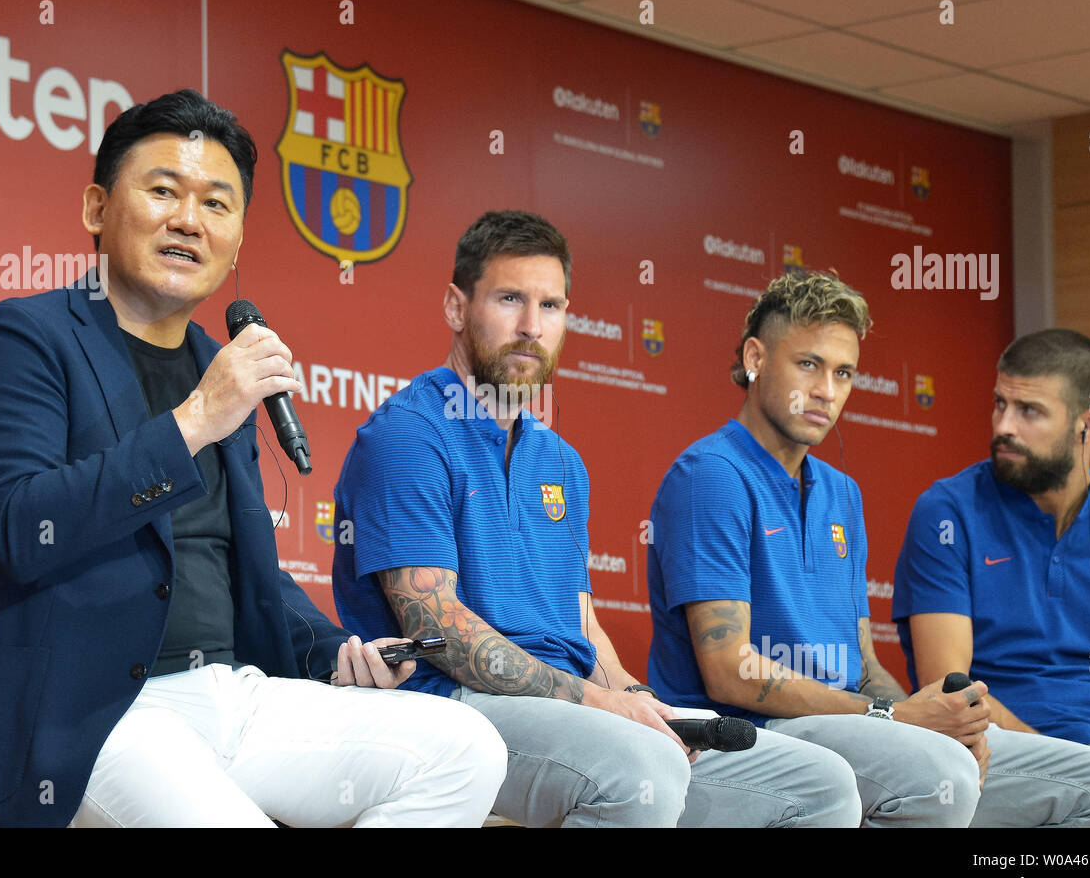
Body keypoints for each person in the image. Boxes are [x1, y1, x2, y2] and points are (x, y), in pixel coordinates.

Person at [0, 89, 506, 828]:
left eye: (216, 204)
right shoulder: (21, 341)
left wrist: (338, 652)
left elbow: (244, 571)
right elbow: (17, 527)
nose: (188, 220)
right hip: (89, 711)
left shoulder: (214, 361)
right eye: (163, 190)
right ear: (97, 209)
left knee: (465, 750)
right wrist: (196, 418)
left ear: (237, 237)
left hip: (232, 695)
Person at [333, 210, 863, 828]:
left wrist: (638, 699)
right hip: (453, 706)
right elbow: (443, 633)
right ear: (456, 306)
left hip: (576, 709)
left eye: (551, 306)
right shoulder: (407, 435)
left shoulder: (561, 459)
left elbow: (580, 621)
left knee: (821, 783)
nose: (532, 327)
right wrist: (599, 702)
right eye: (510, 299)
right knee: (637, 771)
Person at [646, 271, 1090, 826]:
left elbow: (862, 668)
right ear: (757, 358)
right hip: (742, 733)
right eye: (808, 364)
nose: (827, 391)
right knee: (938, 774)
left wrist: (945, 720)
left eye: (844, 373)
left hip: (848, 727)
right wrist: (893, 715)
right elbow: (729, 670)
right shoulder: (711, 474)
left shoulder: (841, 493)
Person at [893, 328, 1090, 793]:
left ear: (1087, 425)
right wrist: (1070, 770)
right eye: (999, 404)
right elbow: (950, 690)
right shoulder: (948, 510)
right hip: (987, 749)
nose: (1003, 425)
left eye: (1029, 411)